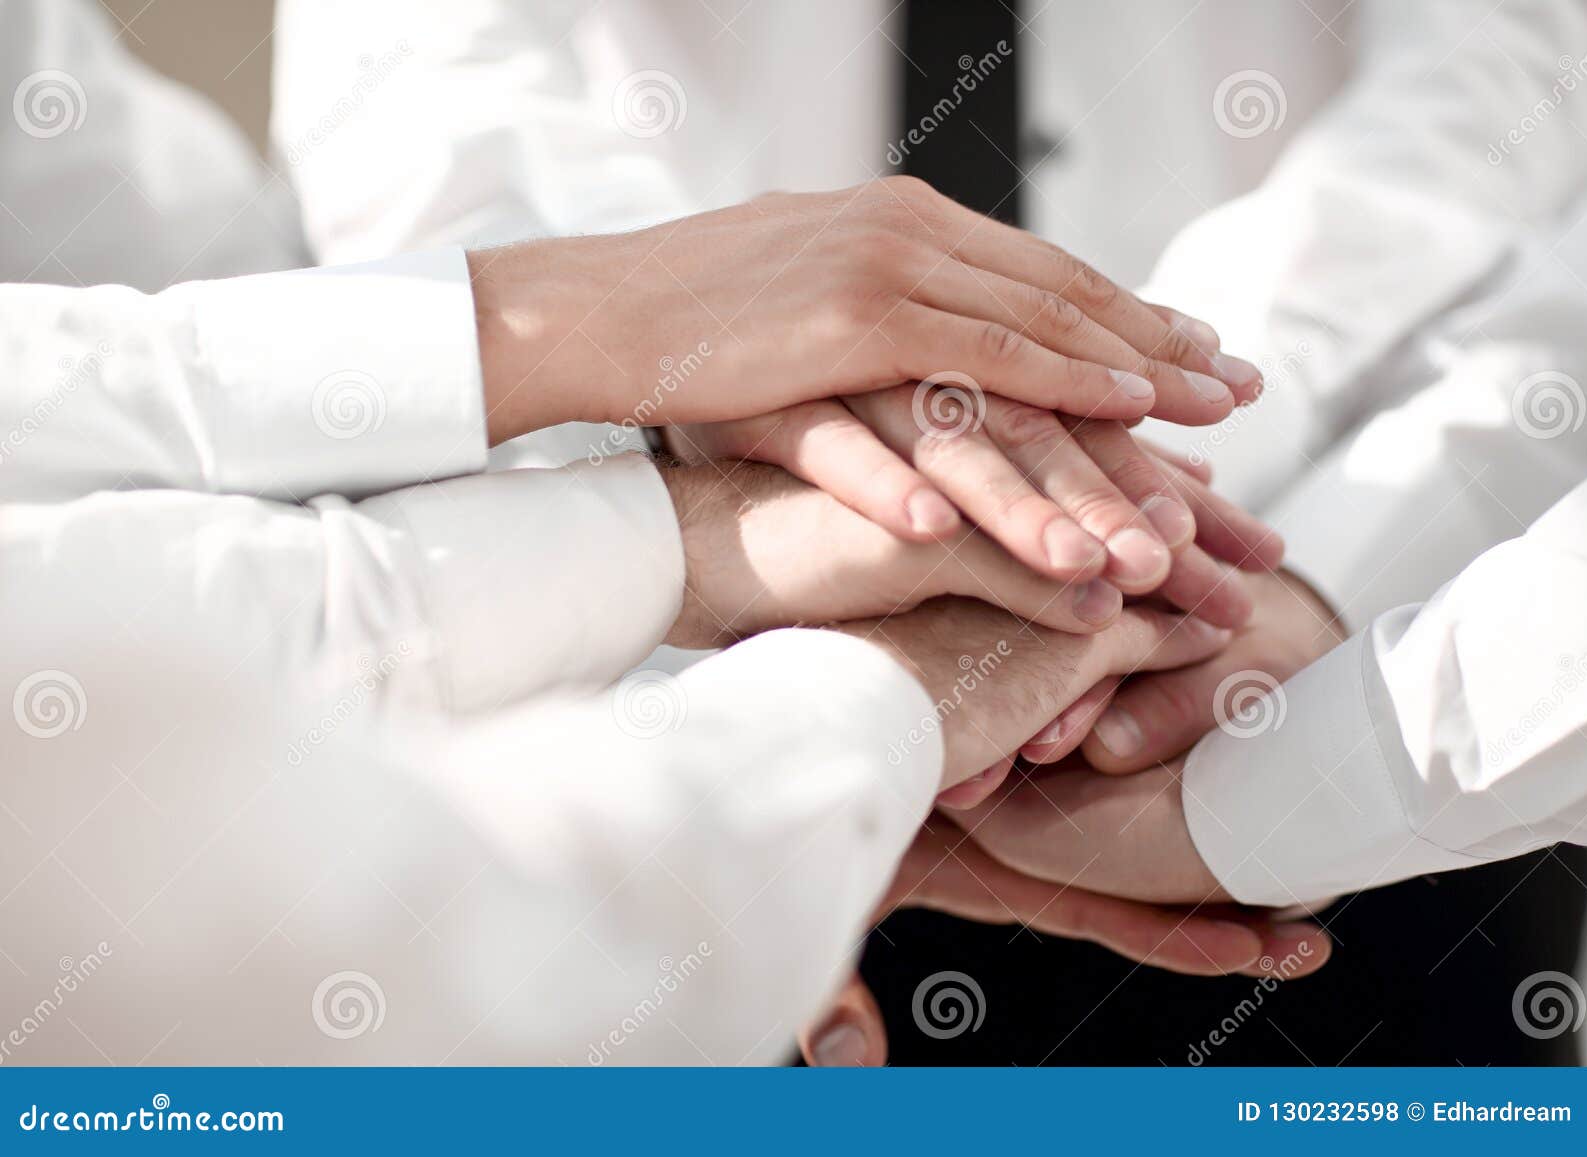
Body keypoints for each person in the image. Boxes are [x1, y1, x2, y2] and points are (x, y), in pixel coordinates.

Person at [274, 0, 1587, 1066]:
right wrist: (699, 409)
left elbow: (1516, 82)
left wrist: (1158, 462)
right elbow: (432, 89)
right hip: (682, 695)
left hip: (1335, 645)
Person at [0, 0, 1299, 1062]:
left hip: (1237, 683)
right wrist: (618, 400)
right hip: (626, 734)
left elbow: (129, 302)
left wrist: (593, 373)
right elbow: (369, 962)